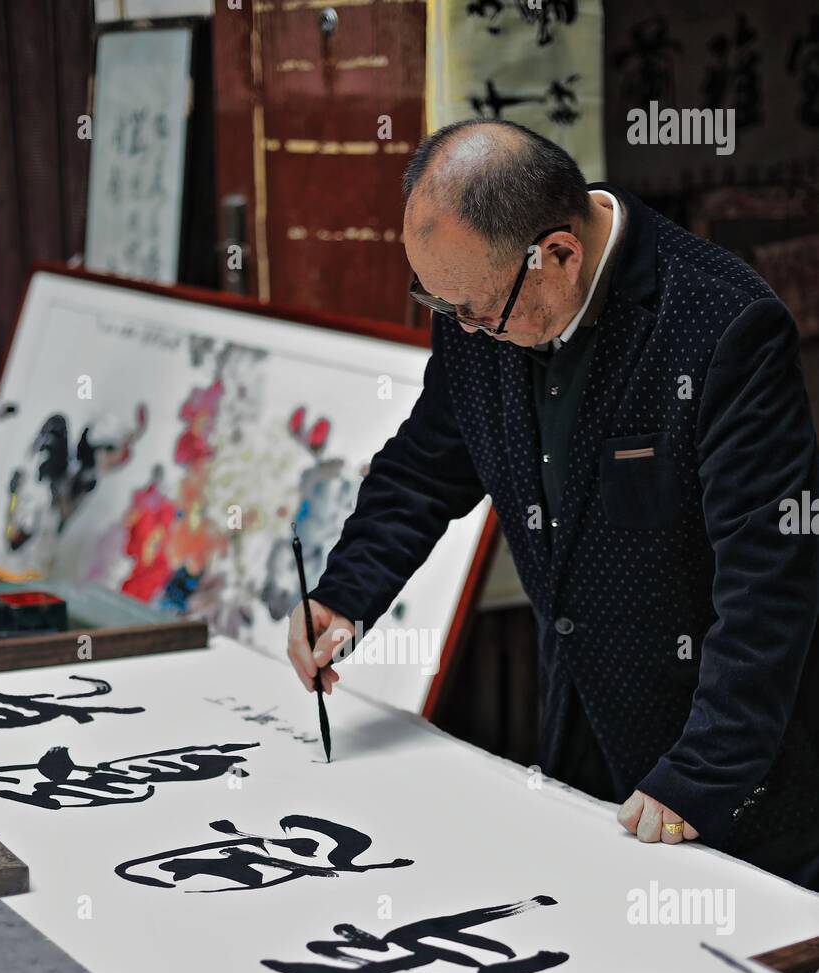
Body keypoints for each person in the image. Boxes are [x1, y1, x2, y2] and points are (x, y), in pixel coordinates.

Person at [287, 118, 819, 890]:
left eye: (471, 308)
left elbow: (770, 580)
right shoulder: (481, 305)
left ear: (559, 254)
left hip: (725, 768)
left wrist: (702, 773)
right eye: (441, 304)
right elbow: (427, 465)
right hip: (578, 729)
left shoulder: (720, 326)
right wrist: (344, 596)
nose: (460, 325)